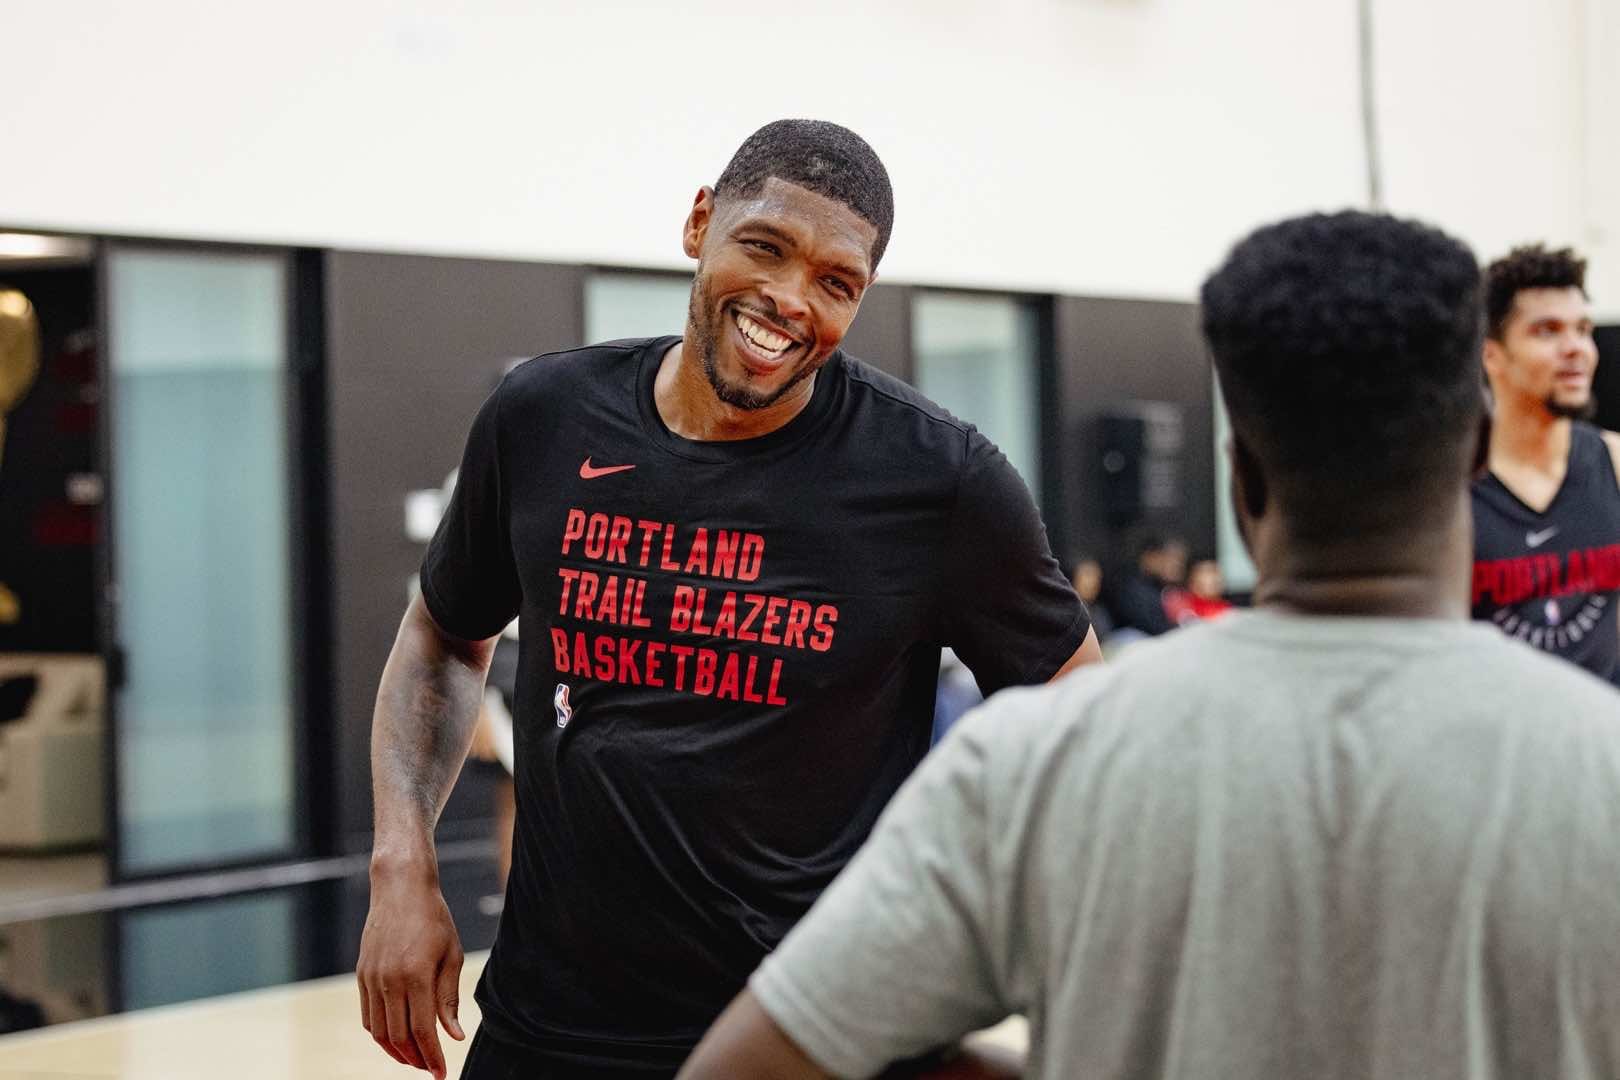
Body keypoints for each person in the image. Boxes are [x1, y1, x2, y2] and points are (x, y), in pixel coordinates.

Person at [679, 211, 1620, 1080]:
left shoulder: (1040, 762)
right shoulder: (1600, 765)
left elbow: (746, 1066)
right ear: (1470, 453)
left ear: (1241, 474)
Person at [356, 118, 1100, 1080]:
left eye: (837, 283)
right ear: (700, 222)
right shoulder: (541, 416)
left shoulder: (937, 478)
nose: (790, 301)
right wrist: (401, 863)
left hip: (806, 1039)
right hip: (551, 1030)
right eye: (765, 247)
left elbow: (1083, 727)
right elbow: (444, 635)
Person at [1471, 244, 1620, 685]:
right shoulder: (1446, 485)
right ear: (1492, 354)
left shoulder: (1613, 461)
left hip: (1601, 739)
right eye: (1547, 331)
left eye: (1583, 329)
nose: (1575, 348)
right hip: (1498, 741)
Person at [1106, 531, 1185, 638]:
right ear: (1149, 557)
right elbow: (1154, 627)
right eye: (1167, 558)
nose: (1174, 565)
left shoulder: (1168, 589)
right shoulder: (1132, 589)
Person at [1163, 558, 1233, 624]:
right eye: (1208, 572)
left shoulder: (1227, 608)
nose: (1216, 578)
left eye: (1216, 571)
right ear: (1193, 579)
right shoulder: (1183, 608)